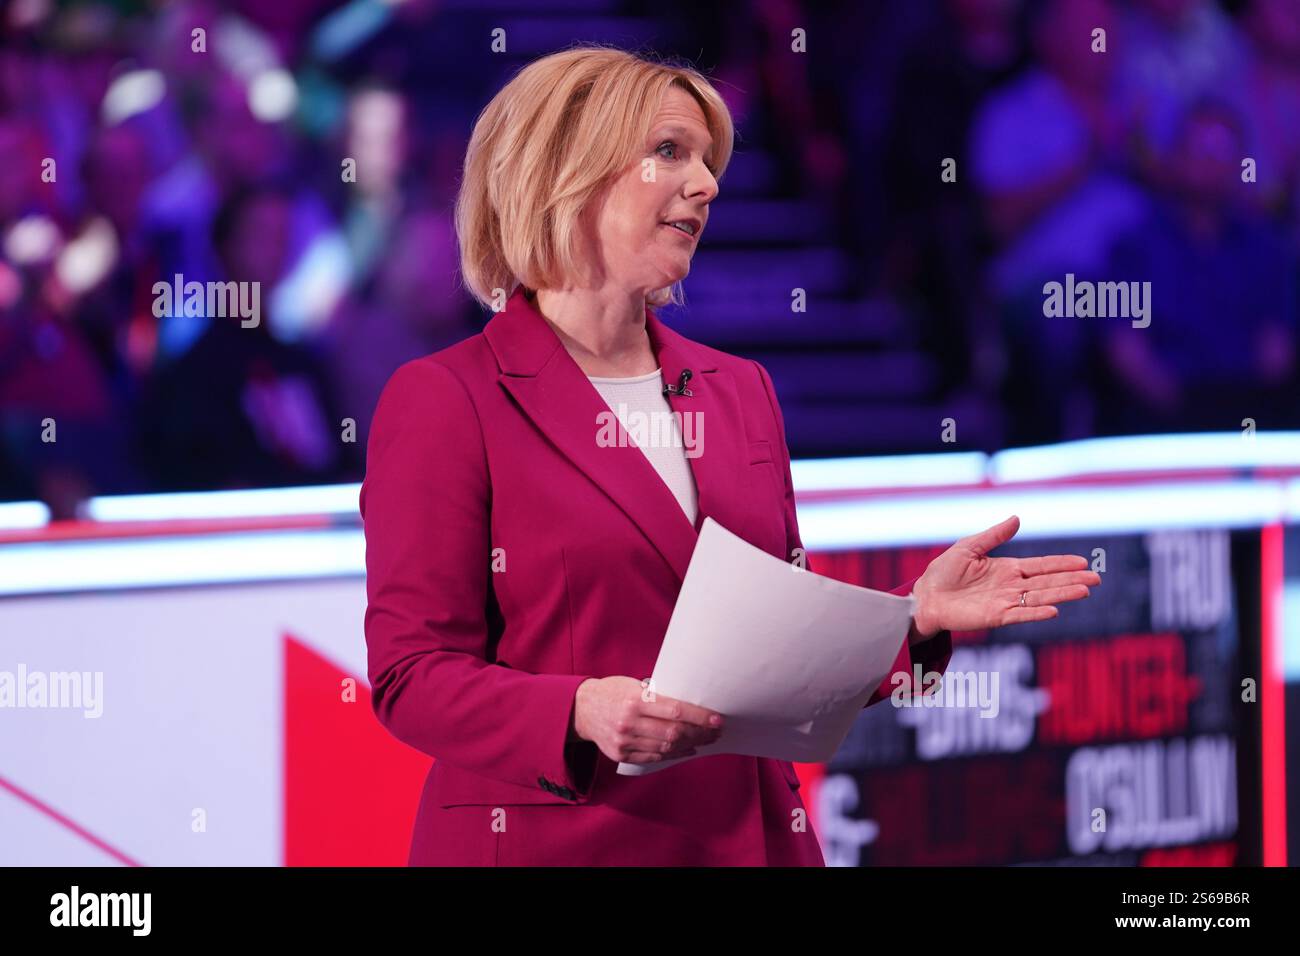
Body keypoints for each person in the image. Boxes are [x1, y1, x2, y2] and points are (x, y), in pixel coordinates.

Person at [360, 46, 1098, 867]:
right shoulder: (449, 399)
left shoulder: (738, 390)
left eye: (709, 161)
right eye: (672, 152)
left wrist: (914, 619)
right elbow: (410, 678)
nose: (708, 184)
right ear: (567, 166)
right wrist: (576, 709)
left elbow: (774, 660)